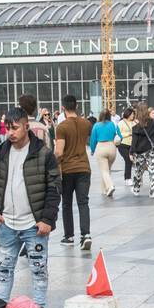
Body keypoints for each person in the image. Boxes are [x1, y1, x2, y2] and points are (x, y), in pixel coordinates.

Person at [0, 107, 61, 308]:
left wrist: (47, 219)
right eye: (7, 128)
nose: (10, 133)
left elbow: (55, 188)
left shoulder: (44, 154)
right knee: (3, 270)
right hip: (6, 224)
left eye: (15, 128)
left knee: (39, 270)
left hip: (33, 226)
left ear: (26, 126)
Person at [55, 94, 92, 250]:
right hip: (84, 168)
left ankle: (69, 236)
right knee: (83, 202)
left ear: (63, 108)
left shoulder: (62, 127)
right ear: (76, 106)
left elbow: (59, 152)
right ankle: (86, 235)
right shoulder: (86, 124)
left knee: (67, 204)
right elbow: (87, 141)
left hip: (68, 170)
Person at [130, 104, 154, 198]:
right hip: (151, 150)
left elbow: (134, 140)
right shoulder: (152, 122)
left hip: (140, 151)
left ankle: (136, 189)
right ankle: (153, 191)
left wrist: (131, 151)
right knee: (152, 170)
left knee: (138, 170)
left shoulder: (136, 124)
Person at [90, 109, 121, 198]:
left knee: (104, 171)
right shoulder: (113, 124)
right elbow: (120, 136)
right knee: (107, 170)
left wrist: (92, 150)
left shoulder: (96, 125)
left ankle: (110, 186)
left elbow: (93, 139)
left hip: (101, 147)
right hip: (112, 147)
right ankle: (104, 190)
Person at [118, 107, 135, 182]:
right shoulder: (121, 123)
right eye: (132, 114)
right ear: (127, 114)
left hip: (132, 145)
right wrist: (128, 134)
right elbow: (118, 134)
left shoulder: (134, 122)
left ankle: (130, 178)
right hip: (123, 145)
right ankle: (127, 178)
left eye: (133, 114)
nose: (133, 116)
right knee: (128, 160)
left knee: (132, 161)